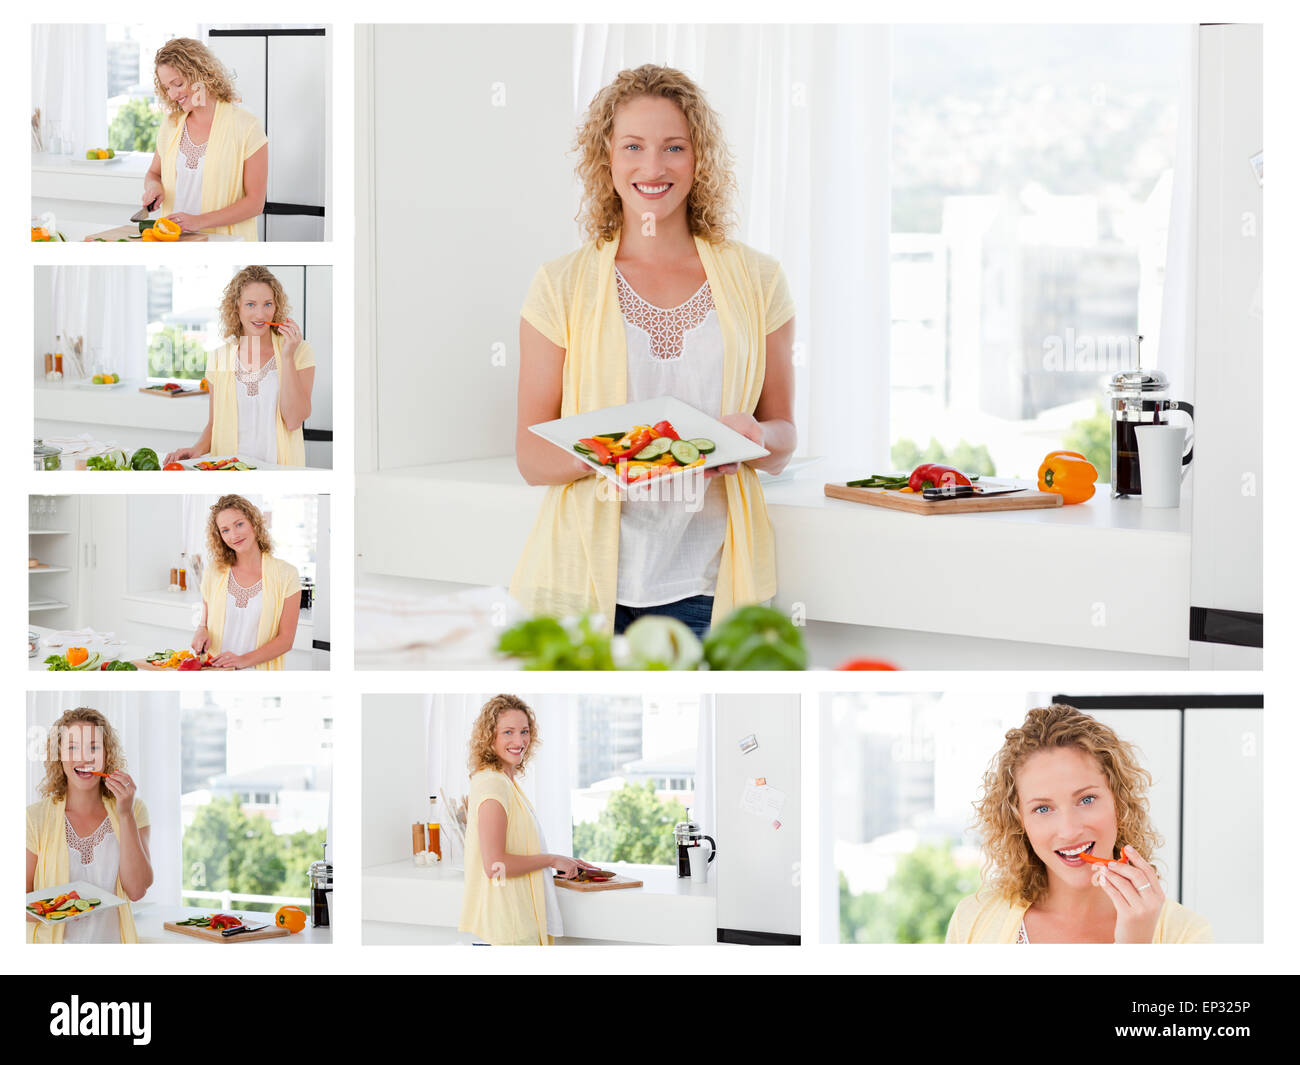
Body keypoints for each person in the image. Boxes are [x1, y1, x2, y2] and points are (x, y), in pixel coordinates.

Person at [511, 65, 797, 639]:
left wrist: (755, 438)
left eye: (674, 147)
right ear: (606, 158)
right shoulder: (560, 284)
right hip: (584, 586)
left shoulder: (759, 280)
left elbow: (784, 435)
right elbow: (532, 458)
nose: (653, 166)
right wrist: (633, 450)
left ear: (700, 159)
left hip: (709, 586)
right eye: (633, 146)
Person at [946, 704, 1212, 943]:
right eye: (1042, 808)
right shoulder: (972, 921)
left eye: (1086, 799)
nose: (1069, 830)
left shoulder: (1186, 935)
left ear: (1118, 800)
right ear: (1019, 820)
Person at [458, 695, 597, 945]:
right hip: (506, 929)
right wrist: (552, 859)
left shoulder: (504, 782)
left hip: (511, 924)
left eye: (524, 731)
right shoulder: (492, 784)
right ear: (490, 737)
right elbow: (495, 865)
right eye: (507, 732)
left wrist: (563, 862)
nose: (519, 741)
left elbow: (517, 848)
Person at [165, 266, 316, 467]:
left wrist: (287, 357)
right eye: (251, 304)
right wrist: (196, 449)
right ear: (237, 307)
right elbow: (214, 423)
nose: (260, 314)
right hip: (230, 469)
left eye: (268, 304)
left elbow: (294, 420)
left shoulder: (299, 351)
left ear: (276, 306)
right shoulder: (219, 357)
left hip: (277, 470)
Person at [26, 707, 152, 944]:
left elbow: (136, 891)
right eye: (72, 747)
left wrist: (125, 815)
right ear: (59, 755)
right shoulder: (34, 819)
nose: (84, 757)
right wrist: (63, 907)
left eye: (93, 747)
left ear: (106, 754)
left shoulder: (134, 810)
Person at [142, 38, 267, 241]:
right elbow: (153, 173)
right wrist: (154, 187)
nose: (172, 94)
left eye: (178, 84)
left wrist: (198, 221)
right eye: (167, 88)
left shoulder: (247, 126)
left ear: (201, 74)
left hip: (225, 244)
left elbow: (255, 203)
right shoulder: (171, 125)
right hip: (173, 241)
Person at [192, 494, 301, 670]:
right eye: (225, 530)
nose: (234, 535)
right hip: (216, 671)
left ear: (254, 523)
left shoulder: (287, 574)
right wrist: (201, 629)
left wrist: (242, 660)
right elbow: (205, 617)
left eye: (239, 524)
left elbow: (286, 640)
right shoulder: (214, 571)